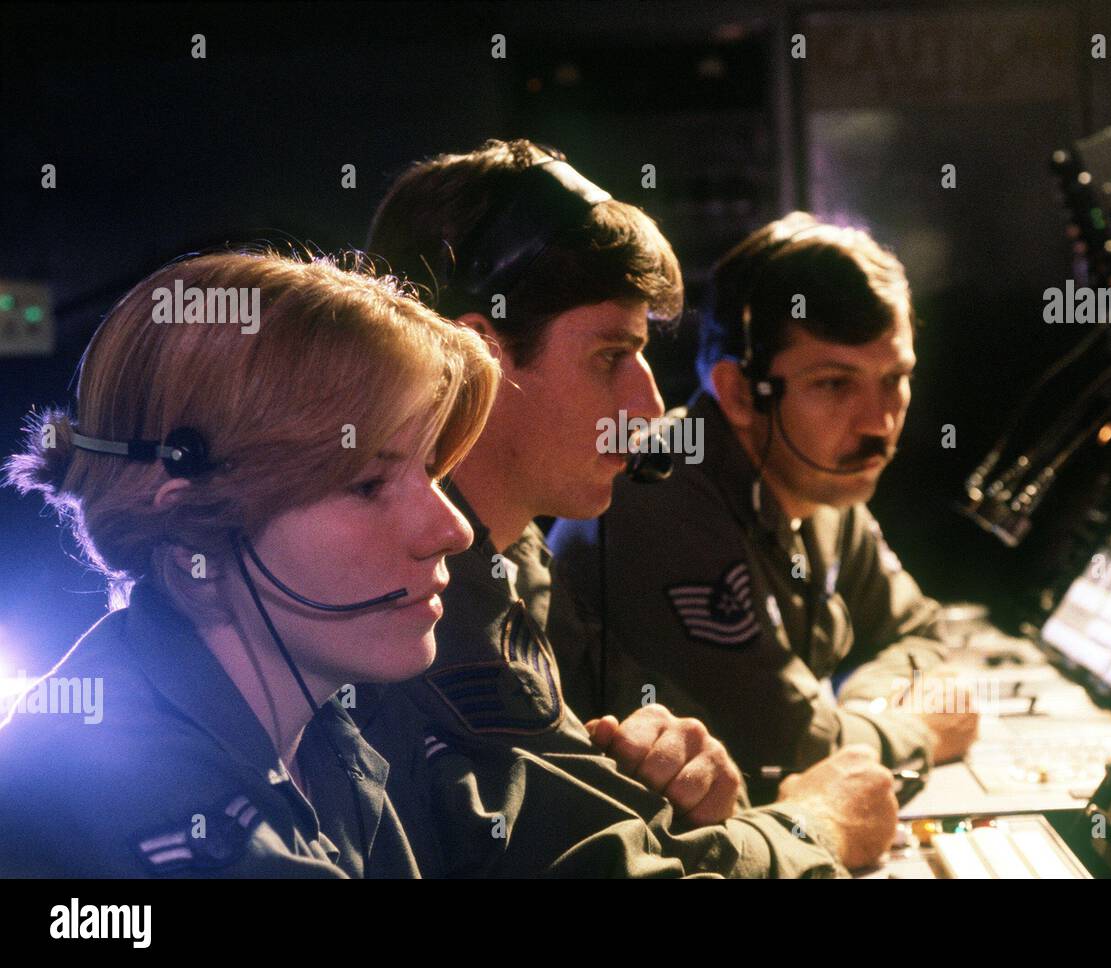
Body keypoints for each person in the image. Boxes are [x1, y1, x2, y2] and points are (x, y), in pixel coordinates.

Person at [358, 139, 899, 876]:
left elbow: (634, 797)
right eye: (610, 357)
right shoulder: (414, 595)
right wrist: (817, 827)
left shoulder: (511, 559)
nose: (649, 406)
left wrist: (675, 766)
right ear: (470, 361)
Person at [0, 251, 499, 877]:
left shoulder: (320, 736)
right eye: (368, 484)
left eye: (429, 470)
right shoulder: (134, 794)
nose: (452, 529)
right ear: (195, 540)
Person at [550, 212, 979, 790]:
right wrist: (918, 731)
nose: (879, 422)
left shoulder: (820, 481)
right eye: (835, 383)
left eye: (894, 378)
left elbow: (919, 635)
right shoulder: (656, 496)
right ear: (737, 393)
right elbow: (786, 750)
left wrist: (870, 714)